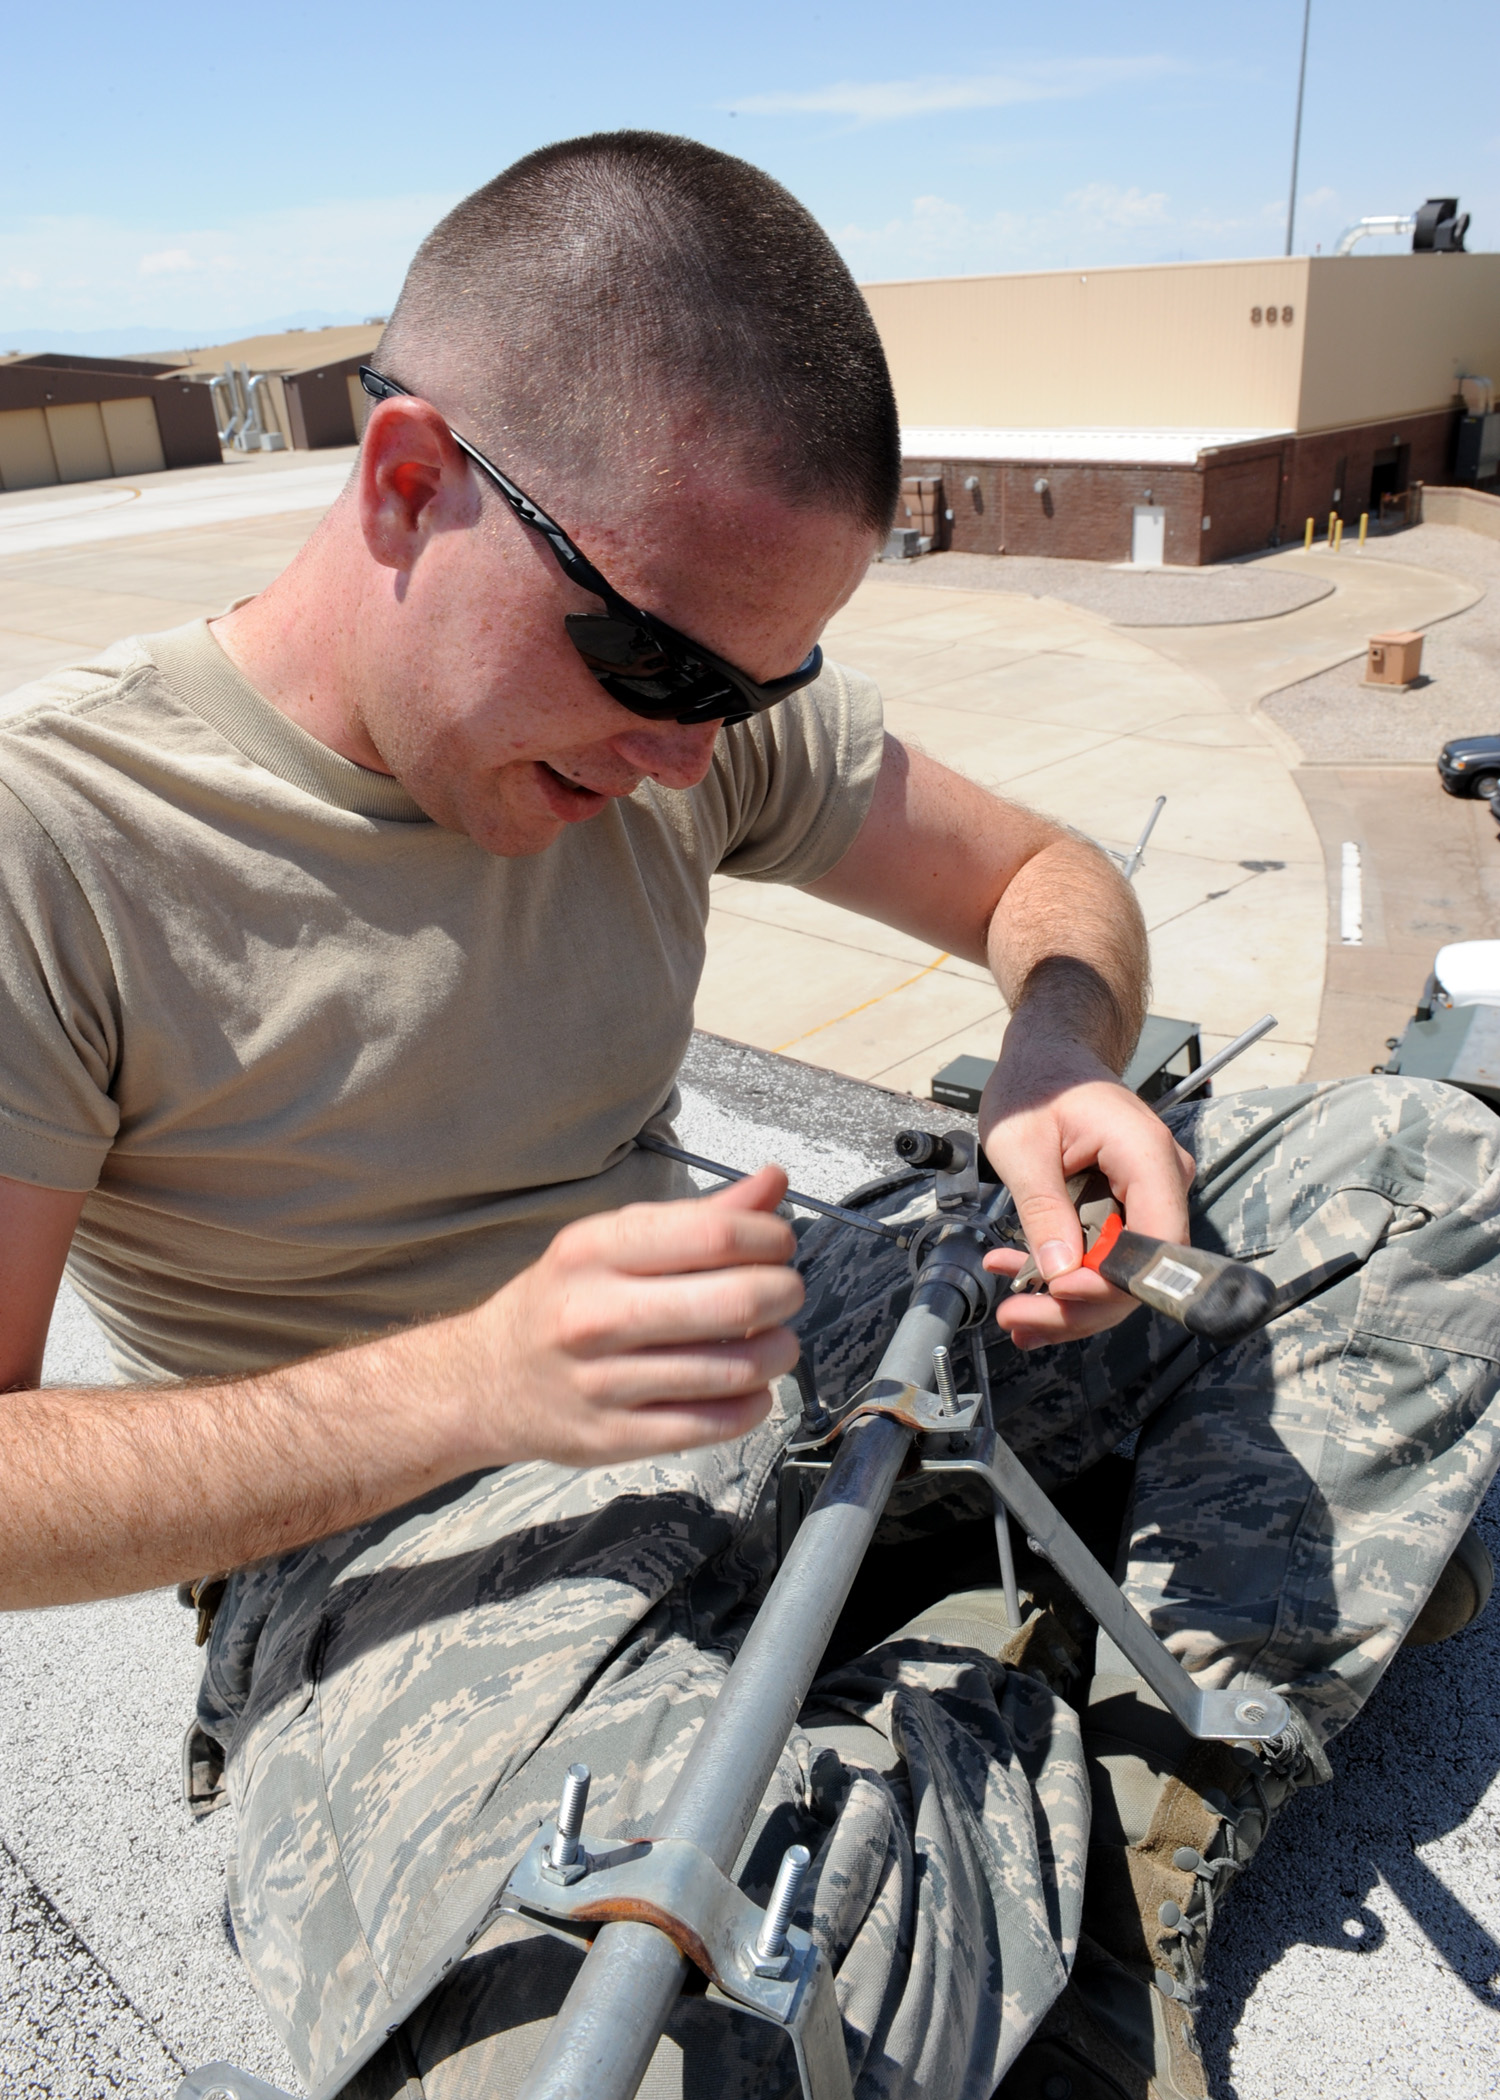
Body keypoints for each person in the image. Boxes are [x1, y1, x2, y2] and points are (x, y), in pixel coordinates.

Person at [0, 132, 1496, 2100]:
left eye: (755, 684)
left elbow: (1048, 876)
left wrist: (1058, 1053)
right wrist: (470, 1386)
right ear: (407, 481)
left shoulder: (678, 695)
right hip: (397, 1523)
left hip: (768, 1333)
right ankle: (976, 1736)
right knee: (625, 2051)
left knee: (1427, 1177)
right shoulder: (63, 843)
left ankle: (1117, 1808)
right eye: (647, 665)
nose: (687, 754)